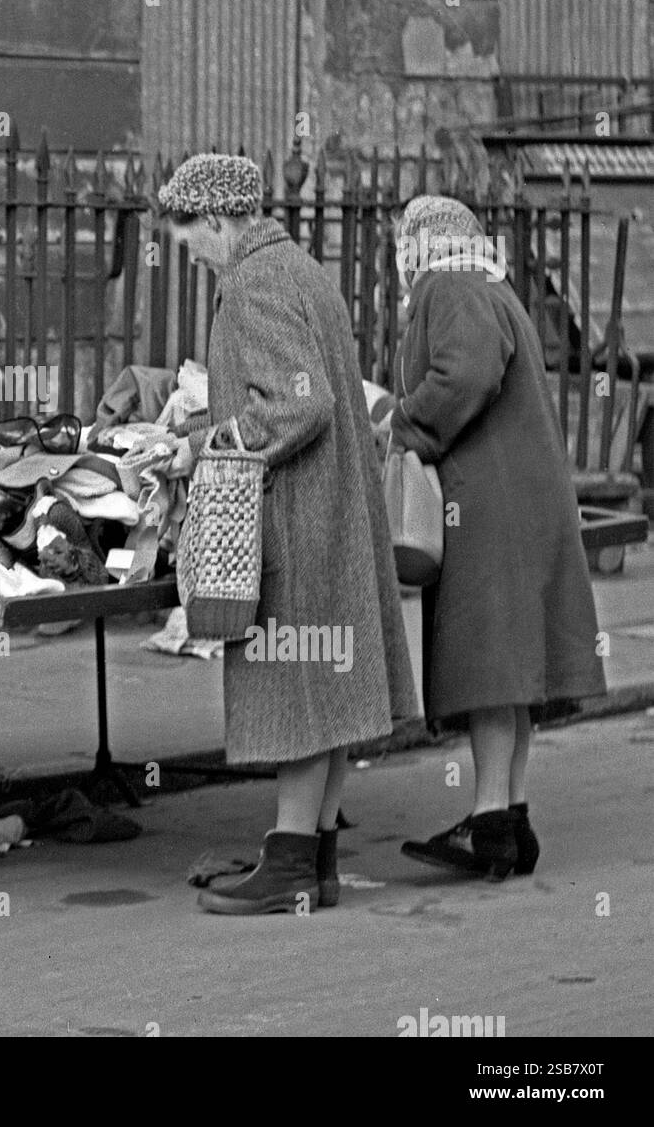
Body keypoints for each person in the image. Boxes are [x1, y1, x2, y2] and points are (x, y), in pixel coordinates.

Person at [158, 153, 417, 915]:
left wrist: (205, 444)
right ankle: (318, 856)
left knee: (297, 684)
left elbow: (300, 408)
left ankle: (290, 863)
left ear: (214, 219)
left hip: (295, 516)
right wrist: (198, 434)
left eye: (188, 242)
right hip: (333, 509)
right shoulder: (301, 268)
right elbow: (302, 391)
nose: (192, 258)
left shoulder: (251, 282)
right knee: (327, 688)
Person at [385, 195, 605, 879]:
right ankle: (511, 818)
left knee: (489, 666)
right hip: (524, 499)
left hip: (487, 506)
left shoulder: (448, 284)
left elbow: (466, 374)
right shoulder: (490, 283)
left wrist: (404, 425)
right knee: (514, 671)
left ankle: (487, 824)